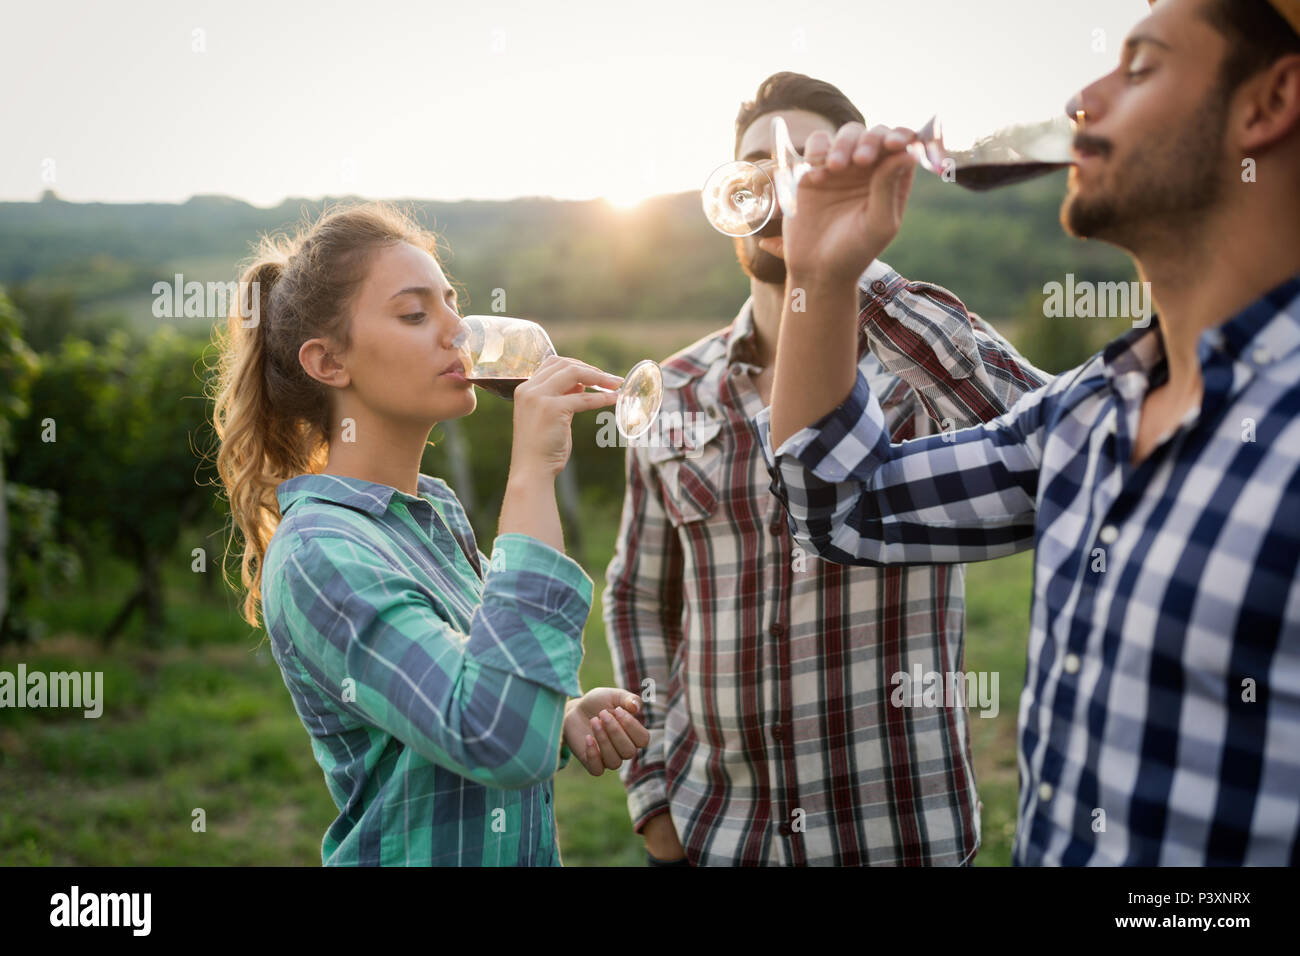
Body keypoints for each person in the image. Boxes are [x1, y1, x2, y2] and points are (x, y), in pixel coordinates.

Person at [758, 0, 1300, 865]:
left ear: (1268, 104)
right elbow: (840, 509)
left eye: (1141, 65)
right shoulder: (1088, 410)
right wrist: (824, 277)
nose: (1084, 97)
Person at [603, 72, 1051, 866]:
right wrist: (653, 797)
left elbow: (1058, 454)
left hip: (899, 835)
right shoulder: (670, 390)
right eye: (760, 164)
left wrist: (844, 265)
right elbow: (640, 597)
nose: (784, 183)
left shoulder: (917, 365)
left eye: (813, 162)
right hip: (717, 834)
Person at [211, 202, 649, 866]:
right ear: (329, 362)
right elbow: (494, 737)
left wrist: (560, 719)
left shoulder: (432, 517)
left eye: (452, 305)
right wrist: (533, 472)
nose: (458, 334)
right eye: (416, 315)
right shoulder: (320, 555)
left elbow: (480, 690)